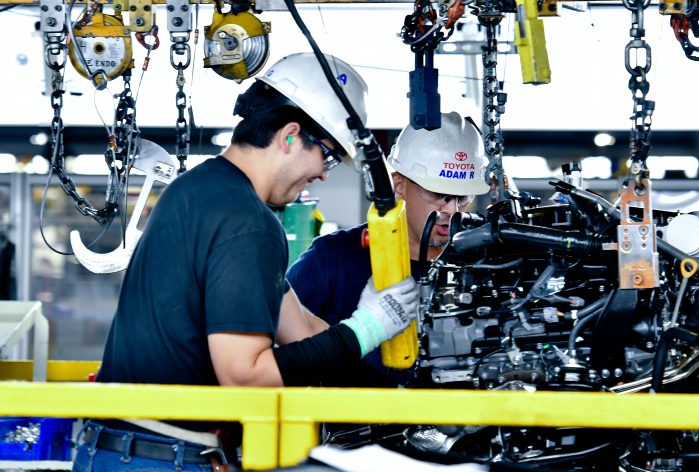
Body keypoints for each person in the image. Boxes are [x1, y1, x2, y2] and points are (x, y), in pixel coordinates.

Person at [72, 53, 419, 472]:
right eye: (327, 156)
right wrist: (366, 328)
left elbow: (301, 327)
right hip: (161, 458)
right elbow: (245, 375)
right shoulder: (248, 222)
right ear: (291, 136)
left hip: (122, 448)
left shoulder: (199, 188)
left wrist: (391, 368)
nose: (325, 174)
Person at [286, 111, 491, 387]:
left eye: (462, 197)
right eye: (438, 194)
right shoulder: (333, 260)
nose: (452, 210)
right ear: (399, 184)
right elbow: (277, 347)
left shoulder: (486, 268)